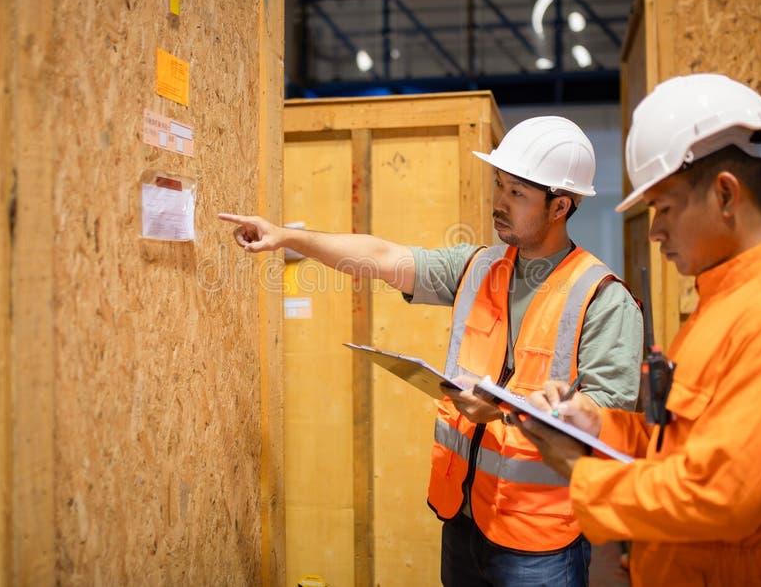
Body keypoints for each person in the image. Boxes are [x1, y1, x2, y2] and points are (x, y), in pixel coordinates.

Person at [220, 116, 643, 587]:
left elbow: (611, 426)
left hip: (538, 538)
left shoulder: (604, 297)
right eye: (499, 186)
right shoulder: (478, 265)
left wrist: (501, 414)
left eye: (516, 194)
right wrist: (287, 237)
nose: (497, 203)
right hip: (462, 518)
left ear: (560, 205)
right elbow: (382, 258)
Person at [518, 74, 761, 585]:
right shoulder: (720, 306)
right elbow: (677, 447)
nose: (654, 231)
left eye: (665, 208)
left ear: (725, 194)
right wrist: (596, 425)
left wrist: (577, 468)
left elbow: (718, 495)